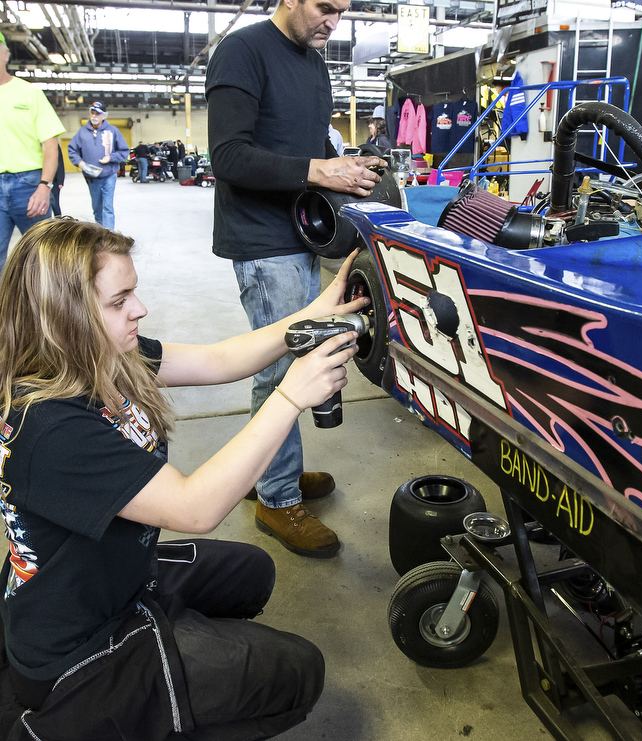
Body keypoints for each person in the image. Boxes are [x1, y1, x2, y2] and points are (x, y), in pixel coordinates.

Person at [0, 218, 368, 737]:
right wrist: (289, 396)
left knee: (253, 572)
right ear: (63, 316)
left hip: (113, 578)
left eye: (135, 292)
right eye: (119, 300)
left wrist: (311, 314)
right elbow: (195, 509)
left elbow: (218, 360)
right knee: (298, 671)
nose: (140, 309)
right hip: (76, 640)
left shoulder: (109, 356)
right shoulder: (50, 427)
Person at [206, 0, 386, 557]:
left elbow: (307, 152)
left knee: (297, 358)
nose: (333, 22)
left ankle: (272, 469)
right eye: (324, 7)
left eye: (343, 11)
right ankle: (277, 498)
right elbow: (229, 156)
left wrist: (345, 165)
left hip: (304, 234)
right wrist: (316, 170)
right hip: (263, 242)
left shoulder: (313, 64)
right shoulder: (242, 51)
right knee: (283, 367)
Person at [0, 30, 64, 263]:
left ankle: (40, 301)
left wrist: (45, 186)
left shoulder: (29, 93)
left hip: (28, 186)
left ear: (5, 54)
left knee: (40, 257)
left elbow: (50, 144)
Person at [67, 101, 130, 230]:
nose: (94, 116)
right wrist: (80, 163)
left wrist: (111, 158)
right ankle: (101, 232)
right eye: (92, 113)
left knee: (107, 207)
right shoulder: (82, 132)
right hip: (92, 177)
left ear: (104, 116)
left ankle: (109, 235)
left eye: (98, 114)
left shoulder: (113, 131)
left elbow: (124, 151)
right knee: (96, 207)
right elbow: (72, 150)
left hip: (109, 174)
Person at [49, 146, 65, 217]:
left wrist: (60, 181)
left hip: (54, 181)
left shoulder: (55, 146)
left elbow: (60, 163)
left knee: (55, 203)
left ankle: (58, 220)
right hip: (40, 180)